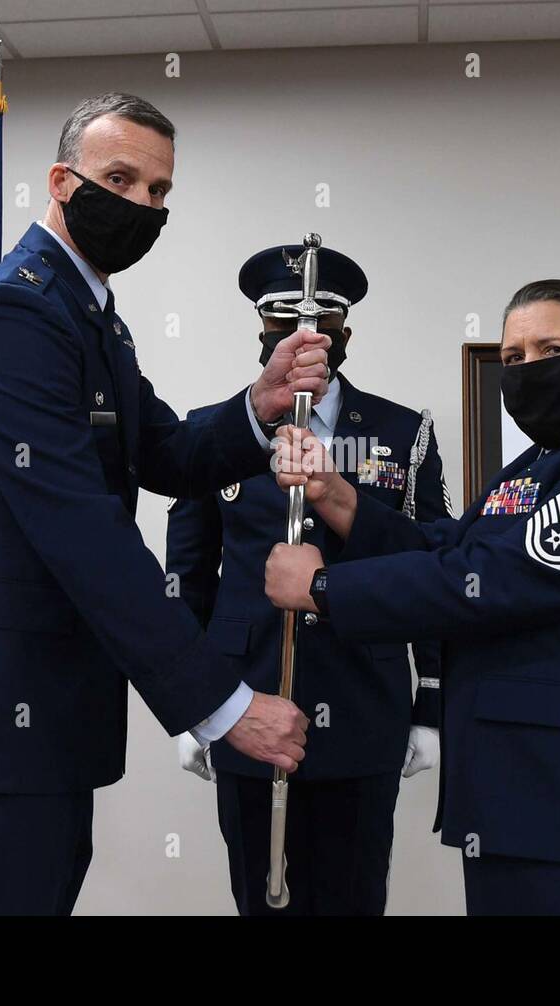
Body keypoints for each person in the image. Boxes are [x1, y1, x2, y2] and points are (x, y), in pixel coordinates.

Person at [0, 92, 325, 915]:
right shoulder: (15, 312)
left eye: (159, 191)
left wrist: (258, 404)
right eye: (120, 178)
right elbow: (82, 531)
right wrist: (224, 707)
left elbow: (161, 450)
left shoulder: (89, 315)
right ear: (61, 180)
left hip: (47, 725)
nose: (142, 206)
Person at [265, 279, 560, 915]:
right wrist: (337, 496)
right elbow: (455, 551)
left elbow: (498, 580)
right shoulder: (541, 463)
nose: (528, 371)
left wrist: (322, 588)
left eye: (550, 351)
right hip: (528, 803)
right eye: (513, 359)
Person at [166, 243, 450, 915]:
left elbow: (432, 570)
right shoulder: (213, 434)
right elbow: (186, 580)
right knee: (261, 896)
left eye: (323, 314)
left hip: (363, 697)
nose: (305, 328)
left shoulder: (400, 433)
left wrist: (431, 700)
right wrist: (192, 700)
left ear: (346, 329)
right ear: (260, 326)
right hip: (243, 701)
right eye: (284, 314)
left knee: (352, 897)